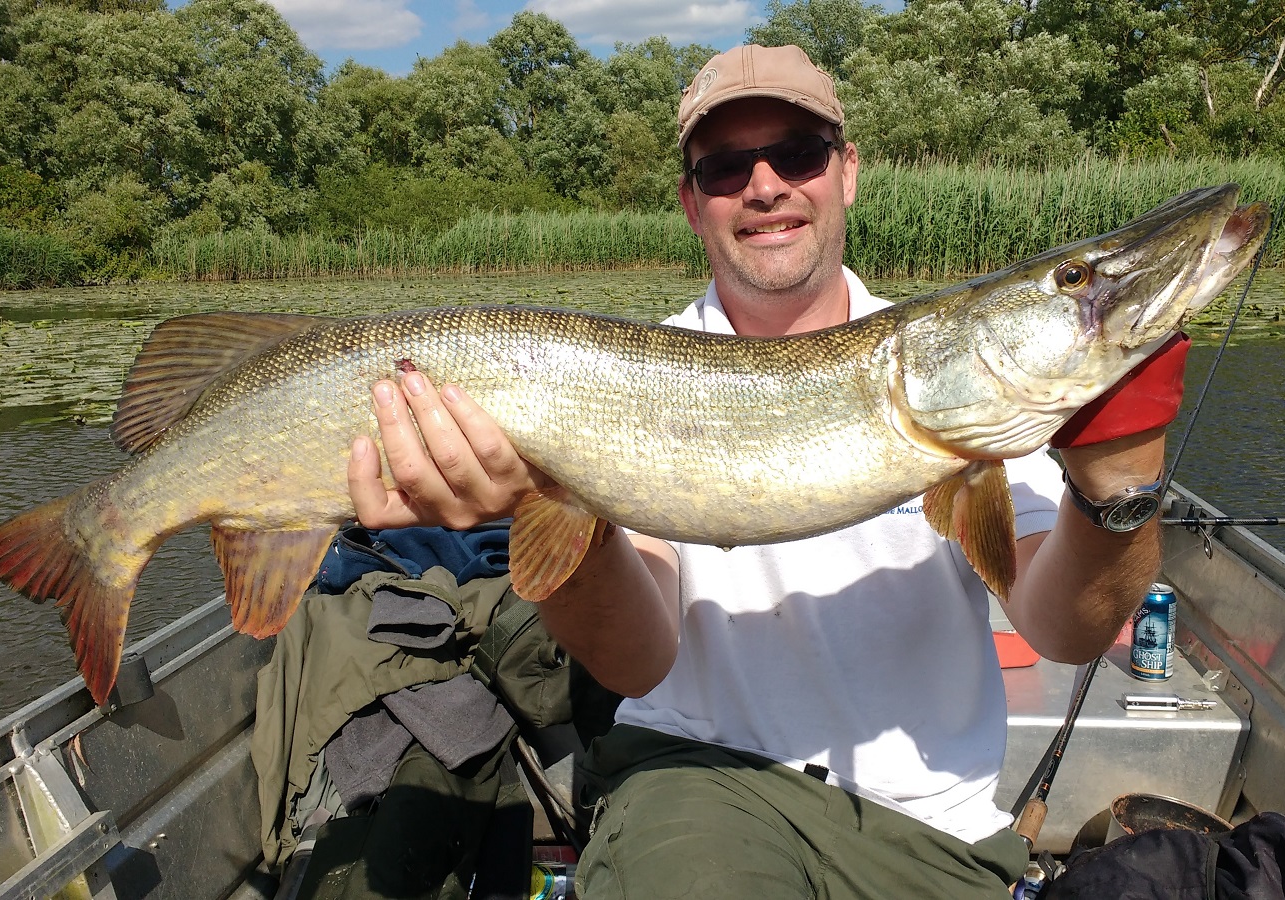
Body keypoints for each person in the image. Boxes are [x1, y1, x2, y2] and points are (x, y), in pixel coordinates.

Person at [345, 43, 1186, 900]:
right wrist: (553, 508)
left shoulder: (954, 371)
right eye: (724, 167)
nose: (765, 186)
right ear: (690, 202)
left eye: (796, 154)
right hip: (700, 784)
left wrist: (1119, 481)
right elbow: (636, 662)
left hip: (936, 827)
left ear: (846, 171)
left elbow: (1066, 630)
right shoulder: (620, 380)